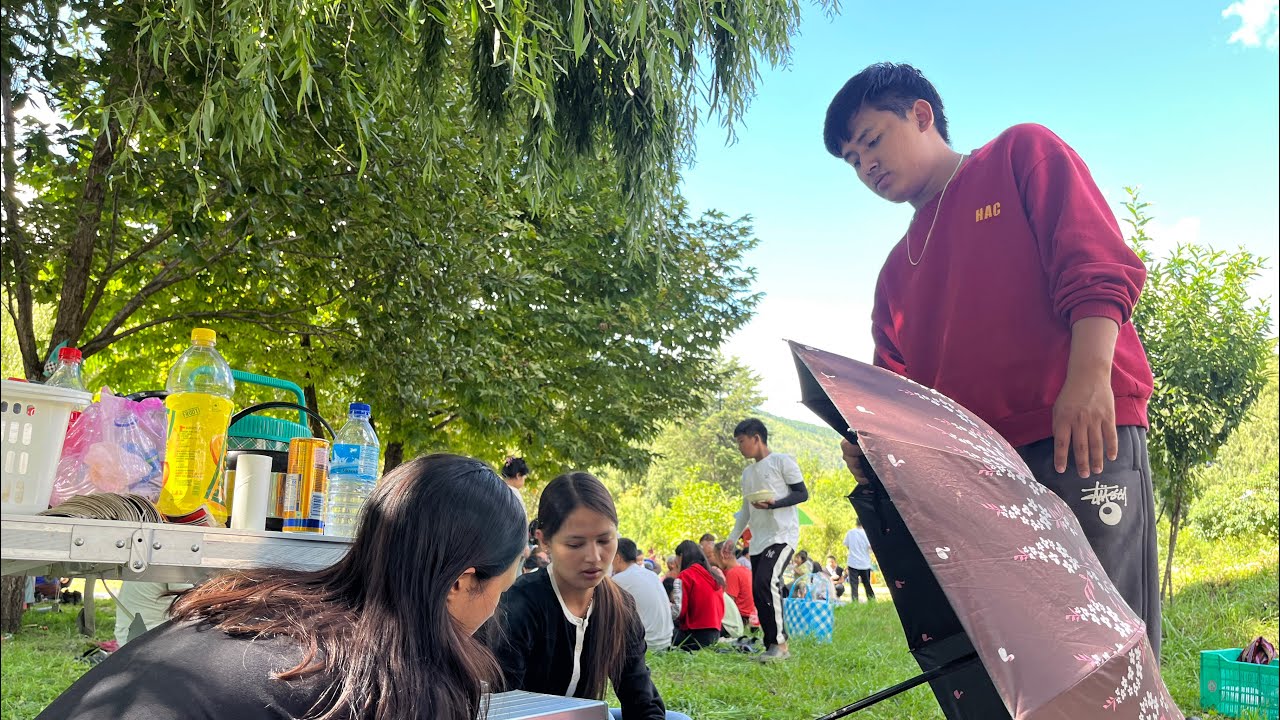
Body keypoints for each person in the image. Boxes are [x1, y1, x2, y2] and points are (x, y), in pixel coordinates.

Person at [824, 62, 1159, 718]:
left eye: (870, 139)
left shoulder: (1020, 153)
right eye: (850, 159)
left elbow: (1096, 265)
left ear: (921, 115)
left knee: (1105, 647)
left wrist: (1090, 379)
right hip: (976, 476)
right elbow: (897, 393)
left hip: (1077, 433)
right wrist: (870, 441)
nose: (864, 165)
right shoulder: (895, 272)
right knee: (1016, 656)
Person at [38, 454, 528, 720]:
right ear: (461, 583)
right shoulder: (371, 686)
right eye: (501, 591)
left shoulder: (262, 607)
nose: (495, 609)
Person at [487, 471, 691, 720]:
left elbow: (640, 698)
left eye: (605, 540)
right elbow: (501, 707)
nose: (594, 557)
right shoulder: (520, 605)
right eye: (575, 544)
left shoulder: (619, 606)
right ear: (544, 541)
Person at [725, 417, 809, 662]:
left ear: (756, 438)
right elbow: (745, 511)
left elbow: (802, 493)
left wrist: (775, 504)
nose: (740, 447)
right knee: (758, 589)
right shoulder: (748, 473)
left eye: (742, 441)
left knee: (767, 581)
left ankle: (780, 645)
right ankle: (770, 644)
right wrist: (732, 538)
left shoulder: (782, 461)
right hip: (759, 540)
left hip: (783, 535)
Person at [610, 537, 674, 652]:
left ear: (617, 558)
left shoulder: (618, 580)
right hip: (665, 641)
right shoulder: (651, 575)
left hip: (646, 645)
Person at [669, 540, 724, 651]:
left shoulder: (686, 575)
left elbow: (678, 612)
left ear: (681, 556)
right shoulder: (713, 575)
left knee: (660, 632)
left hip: (695, 635)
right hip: (715, 634)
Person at [714, 541, 758, 631]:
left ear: (723, 555)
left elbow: (729, 604)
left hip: (740, 620)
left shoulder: (733, 573)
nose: (714, 560)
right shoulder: (746, 570)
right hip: (751, 618)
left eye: (715, 556)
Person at [843, 520, 875, 603]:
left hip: (852, 562)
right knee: (867, 583)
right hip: (864, 563)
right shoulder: (867, 533)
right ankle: (871, 599)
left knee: (854, 584)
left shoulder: (850, 533)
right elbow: (871, 547)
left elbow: (846, 545)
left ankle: (854, 600)